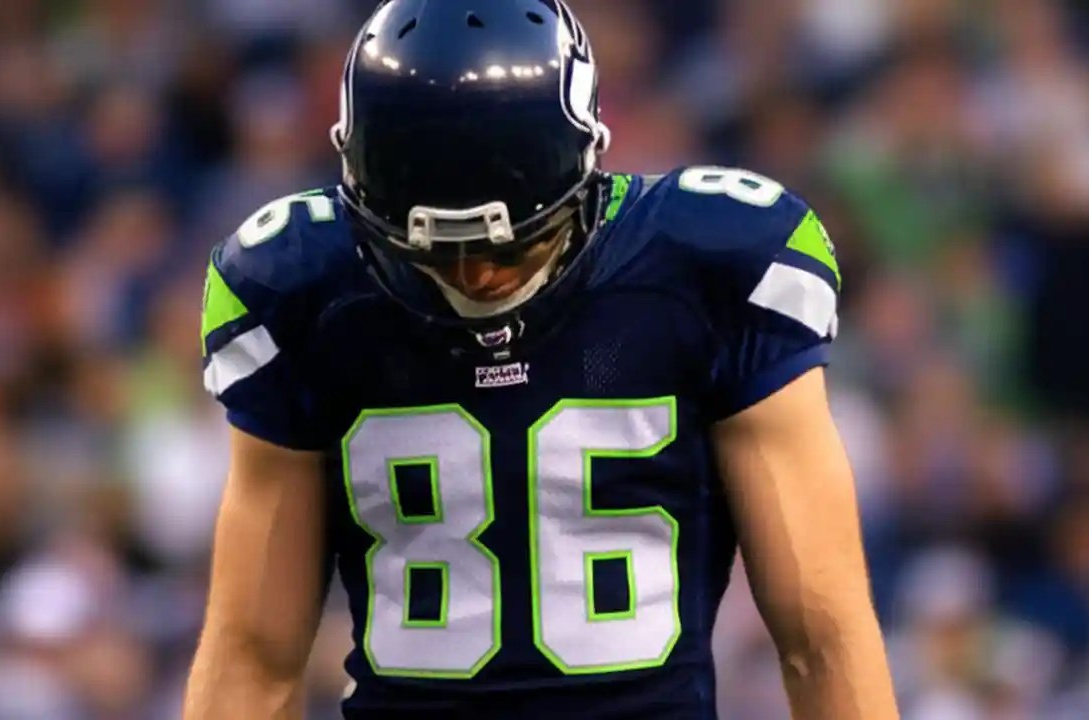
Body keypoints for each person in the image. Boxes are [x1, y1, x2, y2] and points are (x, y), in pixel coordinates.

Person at [184, 1, 898, 718]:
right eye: (435, 250)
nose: (474, 274)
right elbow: (253, 655)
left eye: (509, 244)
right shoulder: (300, 289)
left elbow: (822, 635)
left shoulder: (710, 267)